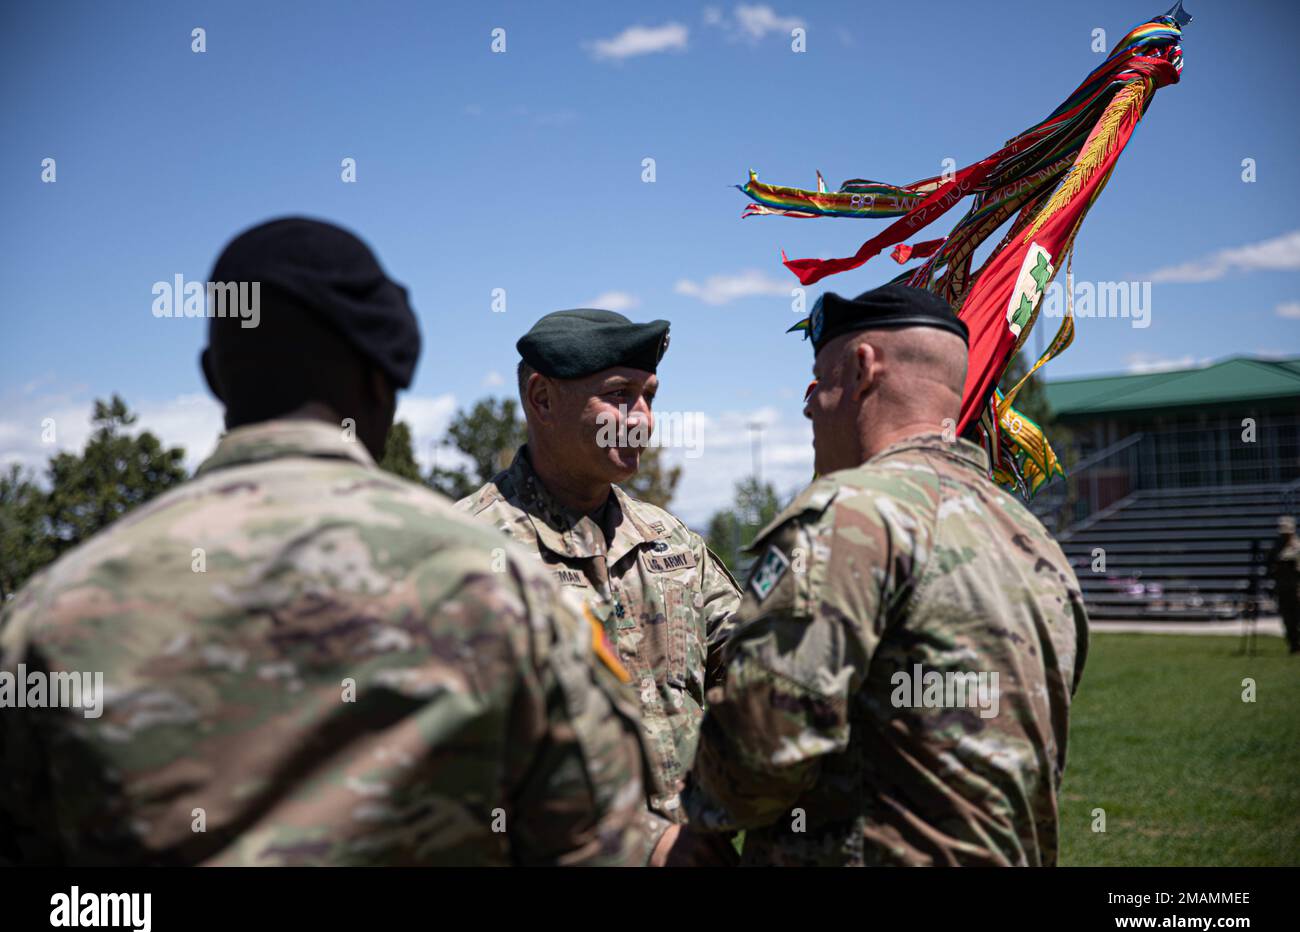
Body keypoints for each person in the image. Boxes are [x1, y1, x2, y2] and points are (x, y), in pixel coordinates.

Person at [0, 218, 648, 866]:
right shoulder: (505, 589)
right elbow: (595, 847)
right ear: (382, 379)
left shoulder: (51, 613)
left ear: (213, 376)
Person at [687, 284, 1089, 866]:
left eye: (818, 386)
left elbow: (761, 748)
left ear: (861, 368)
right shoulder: (1034, 542)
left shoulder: (849, 515)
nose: (812, 410)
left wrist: (690, 819)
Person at [457, 308, 741, 865]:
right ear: (541, 399)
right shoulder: (468, 553)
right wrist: (646, 842)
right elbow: (463, 757)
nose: (641, 421)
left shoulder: (672, 543)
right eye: (619, 395)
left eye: (649, 397)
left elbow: (756, 669)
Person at [1267, 515, 1300, 654]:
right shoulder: (1276, 547)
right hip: (1282, 588)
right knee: (1287, 619)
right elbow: (1270, 568)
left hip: (1297, 588)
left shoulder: (1297, 547)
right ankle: (1293, 645)